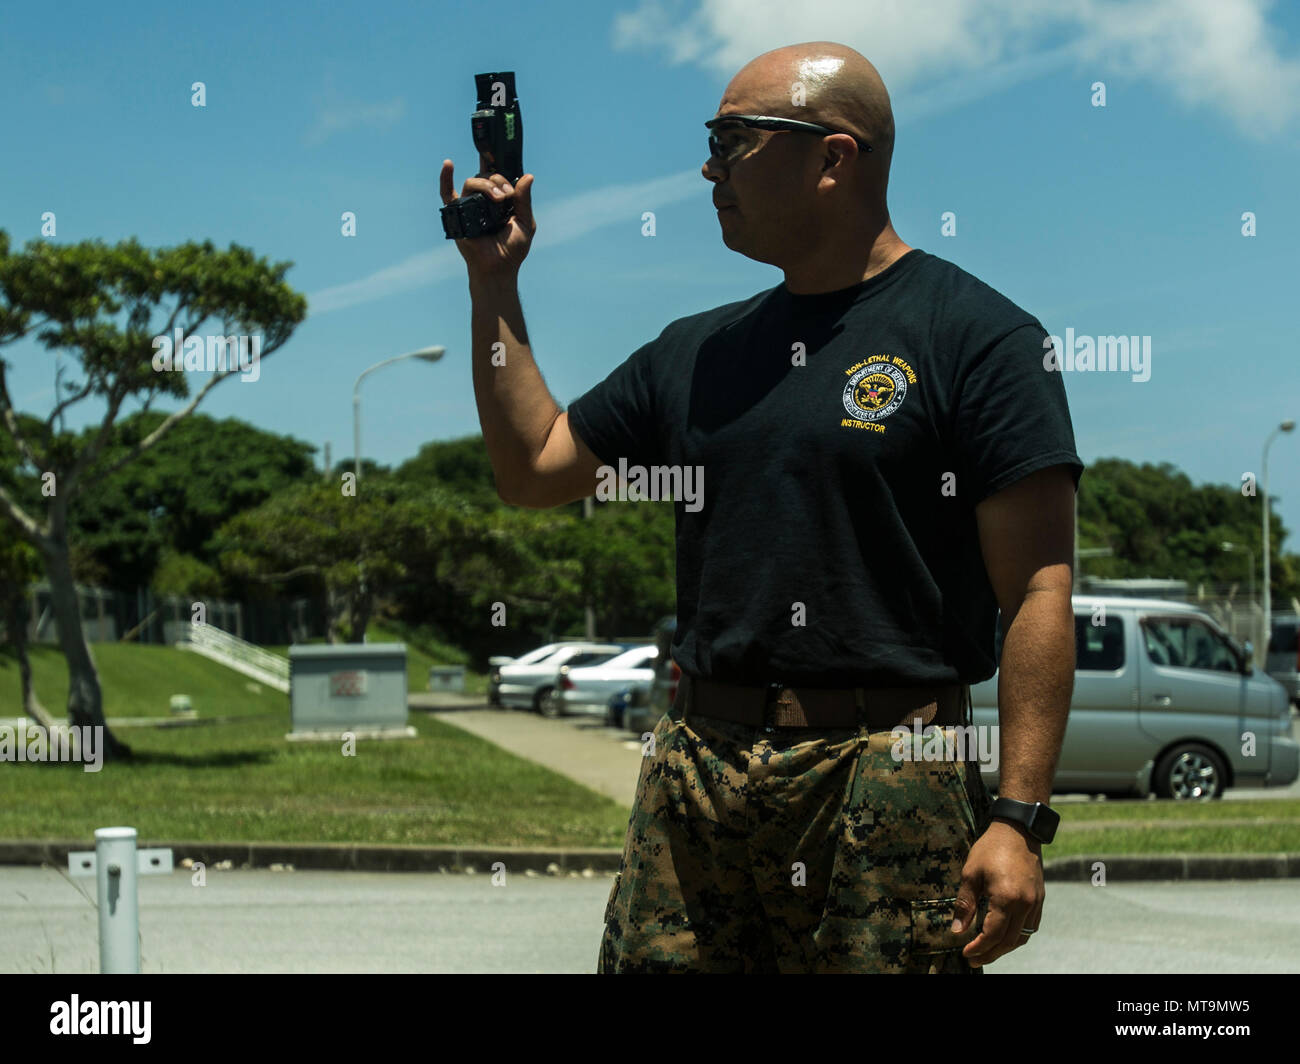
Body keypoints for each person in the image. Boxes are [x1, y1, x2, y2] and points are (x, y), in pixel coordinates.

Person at [440, 41, 1081, 974]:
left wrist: (1019, 820)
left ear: (834, 156)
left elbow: (1038, 591)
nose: (708, 166)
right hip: (697, 772)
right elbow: (534, 467)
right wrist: (492, 281)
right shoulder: (697, 352)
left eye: (732, 138)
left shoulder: (981, 340)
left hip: (887, 776)